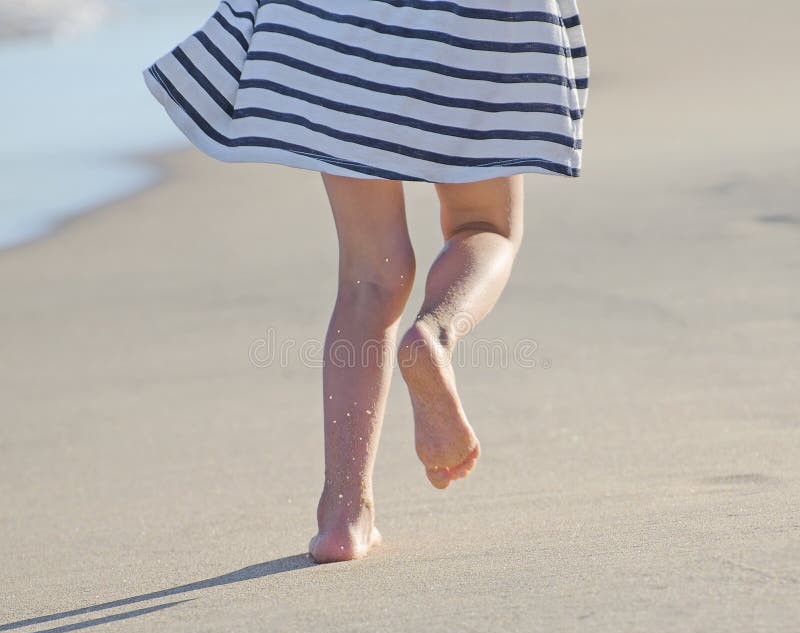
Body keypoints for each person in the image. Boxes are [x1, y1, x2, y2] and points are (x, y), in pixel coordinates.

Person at [142, 0, 589, 563]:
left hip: (338, 23)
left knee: (367, 277)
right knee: (484, 226)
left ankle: (344, 516)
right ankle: (437, 335)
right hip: (470, 19)